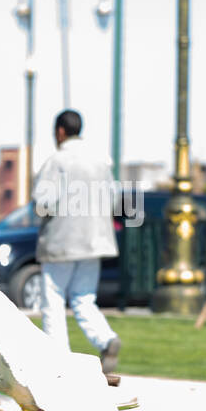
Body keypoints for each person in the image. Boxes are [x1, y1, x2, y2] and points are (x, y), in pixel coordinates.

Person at [32, 109, 122, 373]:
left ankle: (58, 359)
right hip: (95, 241)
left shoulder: (56, 161)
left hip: (62, 241)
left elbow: (43, 202)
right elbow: (114, 199)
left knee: (54, 299)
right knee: (84, 298)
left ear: (60, 131)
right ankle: (106, 339)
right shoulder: (100, 162)